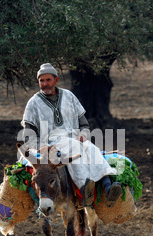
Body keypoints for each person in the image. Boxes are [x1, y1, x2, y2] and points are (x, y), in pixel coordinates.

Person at [20, 63, 122, 208]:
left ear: (56, 80)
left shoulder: (69, 96)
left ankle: (109, 188)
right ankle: (84, 189)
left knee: (92, 149)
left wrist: (83, 134)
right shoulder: (33, 103)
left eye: (48, 80)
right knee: (74, 149)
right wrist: (39, 147)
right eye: (41, 81)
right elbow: (28, 133)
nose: (45, 84)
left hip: (73, 138)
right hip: (49, 145)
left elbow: (84, 124)